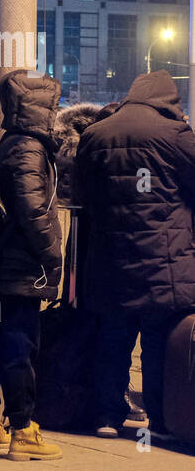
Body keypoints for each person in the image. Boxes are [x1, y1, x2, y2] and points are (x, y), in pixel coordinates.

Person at [76, 70, 195, 442]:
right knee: (158, 343)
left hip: (109, 258)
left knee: (112, 339)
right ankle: (159, 421)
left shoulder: (96, 134)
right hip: (165, 261)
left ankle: (107, 416)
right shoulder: (176, 135)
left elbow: (82, 194)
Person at [0, 71, 64, 461]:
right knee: (18, 345)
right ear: (42, 107)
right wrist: (52, 255)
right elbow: (33, 210)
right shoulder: (29, 148)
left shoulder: (9, 142)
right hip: (20, 271)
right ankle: (22, 429)